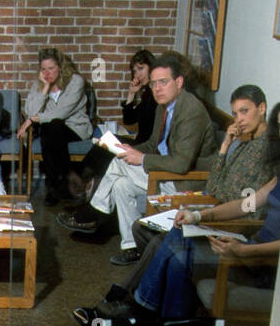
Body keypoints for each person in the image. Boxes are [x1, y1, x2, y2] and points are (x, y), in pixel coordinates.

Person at [80, 92, 280, 326]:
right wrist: (199, 215)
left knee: (176, 247)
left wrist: (243, 251)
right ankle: (158, 322)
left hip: (261, 261)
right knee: (178, 238)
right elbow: (243, 202)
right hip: (246, 244)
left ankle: (137, 309)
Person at [58, 53, 217, 262]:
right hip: (165, 173)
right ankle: (133, 247)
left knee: (116, 163)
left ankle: (93, 214)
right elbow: (153, 144)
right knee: (121, 184)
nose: (157, 89)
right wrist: (128, 150)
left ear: (179, 82)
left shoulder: (191, 111)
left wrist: (140, 158)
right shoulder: (165, 106)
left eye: (163, 82)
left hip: (185, 182)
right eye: (153, 84)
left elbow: (181, 163)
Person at [67, 48, 157, 198]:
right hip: (141, 140)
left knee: (106, 146)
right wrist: (131, 93)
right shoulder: (147, 93)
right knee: (105, 142)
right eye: (135, 71)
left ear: (151, 68)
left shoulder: (155, 93)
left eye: (141, 68)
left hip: (145, 145)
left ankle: (82, 181)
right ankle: (83, 181)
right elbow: (129, 120)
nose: (138, 74)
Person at [17, 48, 93, 205]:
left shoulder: (76, 81)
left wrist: (31, 120)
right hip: (51, 131)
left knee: (53, 125)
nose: (47, 73)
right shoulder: (38, 85)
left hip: (75, 127)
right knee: (50, 129)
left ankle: (53, 187)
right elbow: (30, 111)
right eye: (43, 69)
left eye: (51, 68)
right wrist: (44, 88)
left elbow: (62, 112)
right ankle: (63, 182)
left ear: (60, 67)